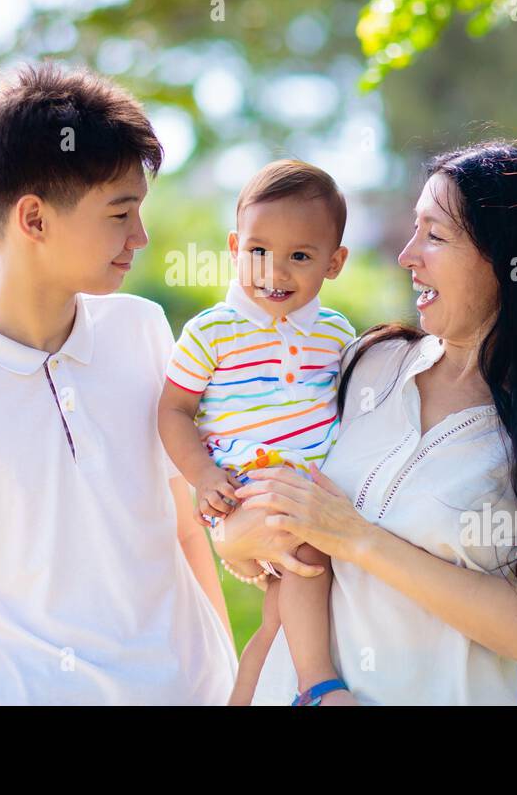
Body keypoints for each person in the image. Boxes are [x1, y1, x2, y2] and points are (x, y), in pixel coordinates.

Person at [0, 62, 237, 704]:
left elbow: (183, 530)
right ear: (33, 219)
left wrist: (236, 686)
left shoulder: (142, 330)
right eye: (121, 213)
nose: (139, 238)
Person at [213, 142, 517, 704]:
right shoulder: (366, 365)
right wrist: (235, 536)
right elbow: (250, 516)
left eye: (435, 236)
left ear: (511, 260)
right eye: (415, 231)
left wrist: (357, 539)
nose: (408, 255)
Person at [158, 159, 356, 706]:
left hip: (310, 479)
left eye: (300, 256)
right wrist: (202, 475)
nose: (274, 271)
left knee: (275, 623)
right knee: (309, 557)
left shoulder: (337, 334)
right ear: (234, 247)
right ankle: (318, 683)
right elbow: (173, 410)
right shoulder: (213, 331)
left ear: (334, 262)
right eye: (259, 251)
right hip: (247, 476)